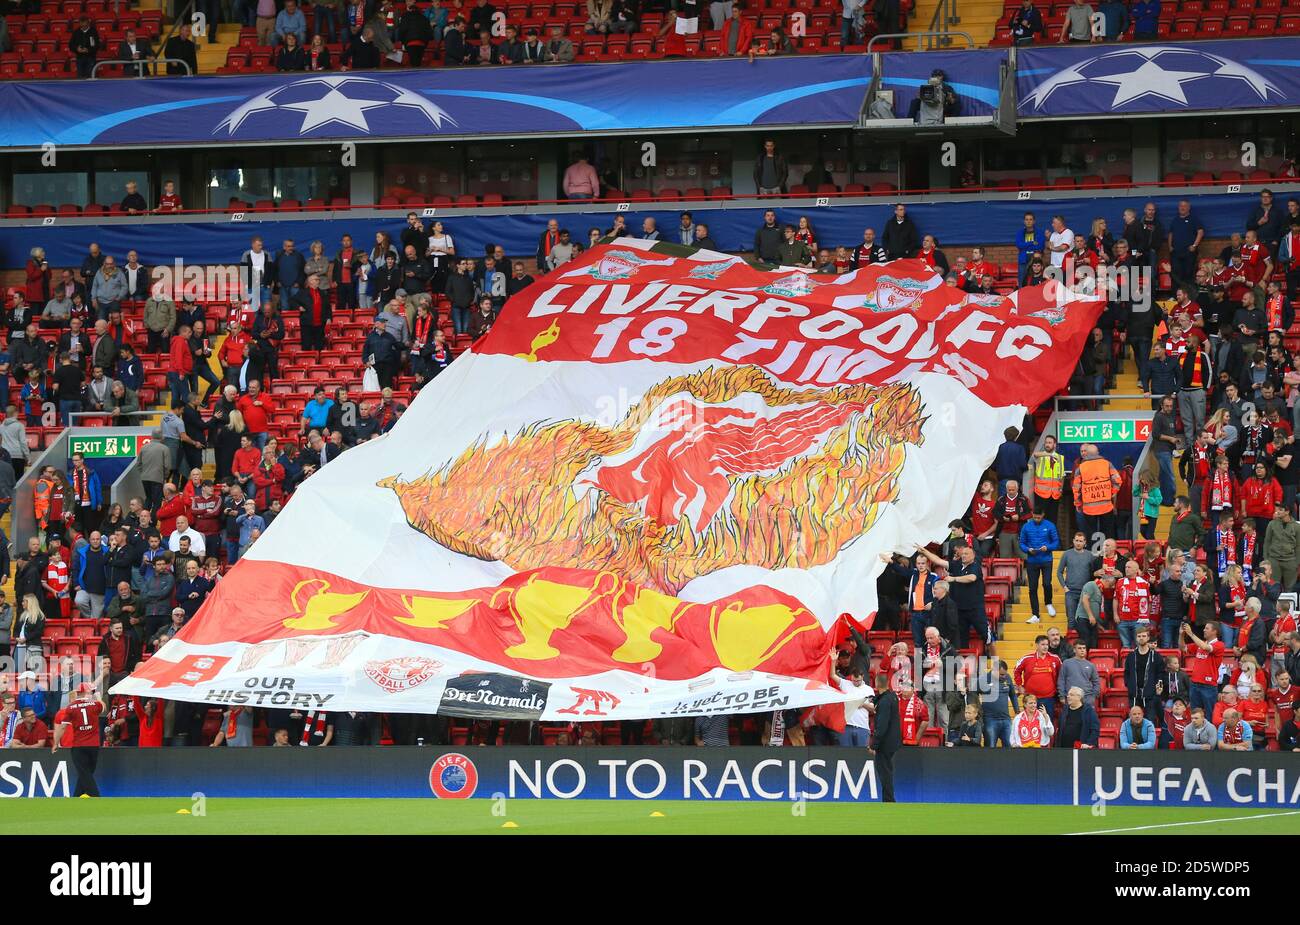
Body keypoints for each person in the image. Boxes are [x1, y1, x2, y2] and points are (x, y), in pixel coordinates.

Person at [51, 683, 105, 797]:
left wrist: (55, 743)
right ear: (87, 692)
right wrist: (98, 697)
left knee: (84, 772)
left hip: (79, 745)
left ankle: (95, 795)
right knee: (87, 772)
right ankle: (76, 796)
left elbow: (63, 727)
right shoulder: (95, 704)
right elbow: (103, 707)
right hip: (94, 745)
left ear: (77, 693)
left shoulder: (71, 707)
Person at [1019, 508, 1059, 623]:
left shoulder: (1050, 525)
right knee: (1032, 588)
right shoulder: (1026, 527)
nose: (1036, 519)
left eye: (1039, 517)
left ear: (1043, 515)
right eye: (1035, 517)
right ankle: (1035, 614)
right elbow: (1022, 543)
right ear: (1032, 515)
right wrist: (1028, 549)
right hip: (1032, 561)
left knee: (1046, 583)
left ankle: (1048, 603)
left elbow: (1056, 542)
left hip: (1046, 559)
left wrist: (1048, 547)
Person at [869, 672, 900, 802]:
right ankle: (888, 799)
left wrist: (873, 745)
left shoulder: (884, 702)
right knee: (887, 770)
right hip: (893, 741)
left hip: (885, 743)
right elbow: (882, 698)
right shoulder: (892, 697)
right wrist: (873, 699)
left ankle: (888, 800)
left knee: (884, 772)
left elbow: (881, 727)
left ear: (876, 683)